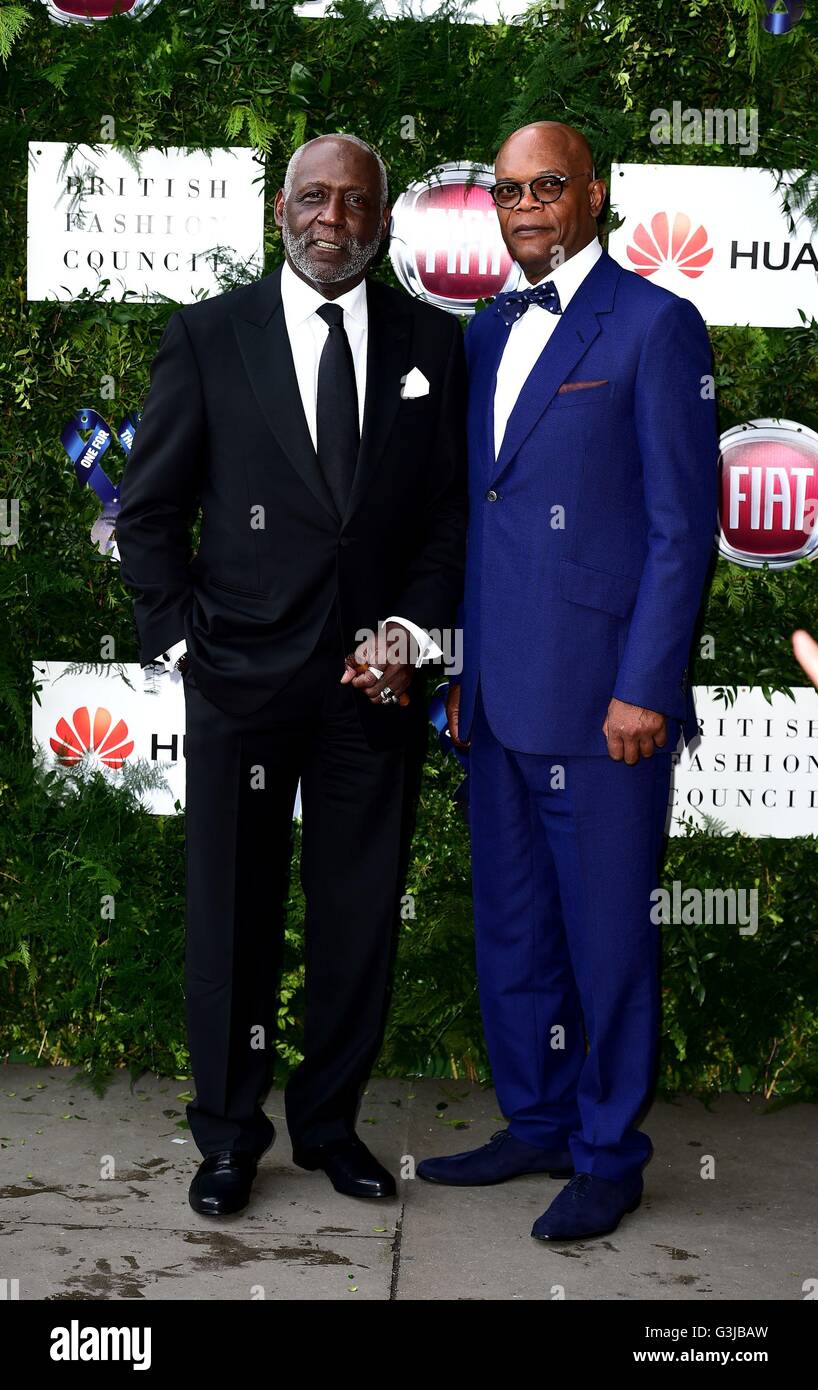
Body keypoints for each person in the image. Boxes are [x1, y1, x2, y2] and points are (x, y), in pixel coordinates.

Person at [116, 133, 467, 1216]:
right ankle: (227, 1137)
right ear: (280, 209)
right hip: (239, 680)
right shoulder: (210, 335)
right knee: (231, 915)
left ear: (382, 220)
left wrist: (409, 631)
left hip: (373, 689)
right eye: (314, 198)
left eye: (354, 203)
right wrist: (184, 642)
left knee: (357, 915)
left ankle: (328, 1126)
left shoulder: (432, 345)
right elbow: (151, 510)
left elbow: (448, 517)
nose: (333, 219)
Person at [417, 121, 718, 1241]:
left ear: (592, 193)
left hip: (604, 710)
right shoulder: (488, 333)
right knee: (513, 932)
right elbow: (477, 517)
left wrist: (644, 685)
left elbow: (681, 527)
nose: (527, 205)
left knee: (605, 941)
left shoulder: (654, 325)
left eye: (547, 185)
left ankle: (606, 1151)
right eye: (507, 190)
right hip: (494, 699)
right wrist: (459, 669)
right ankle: (537, 1119)